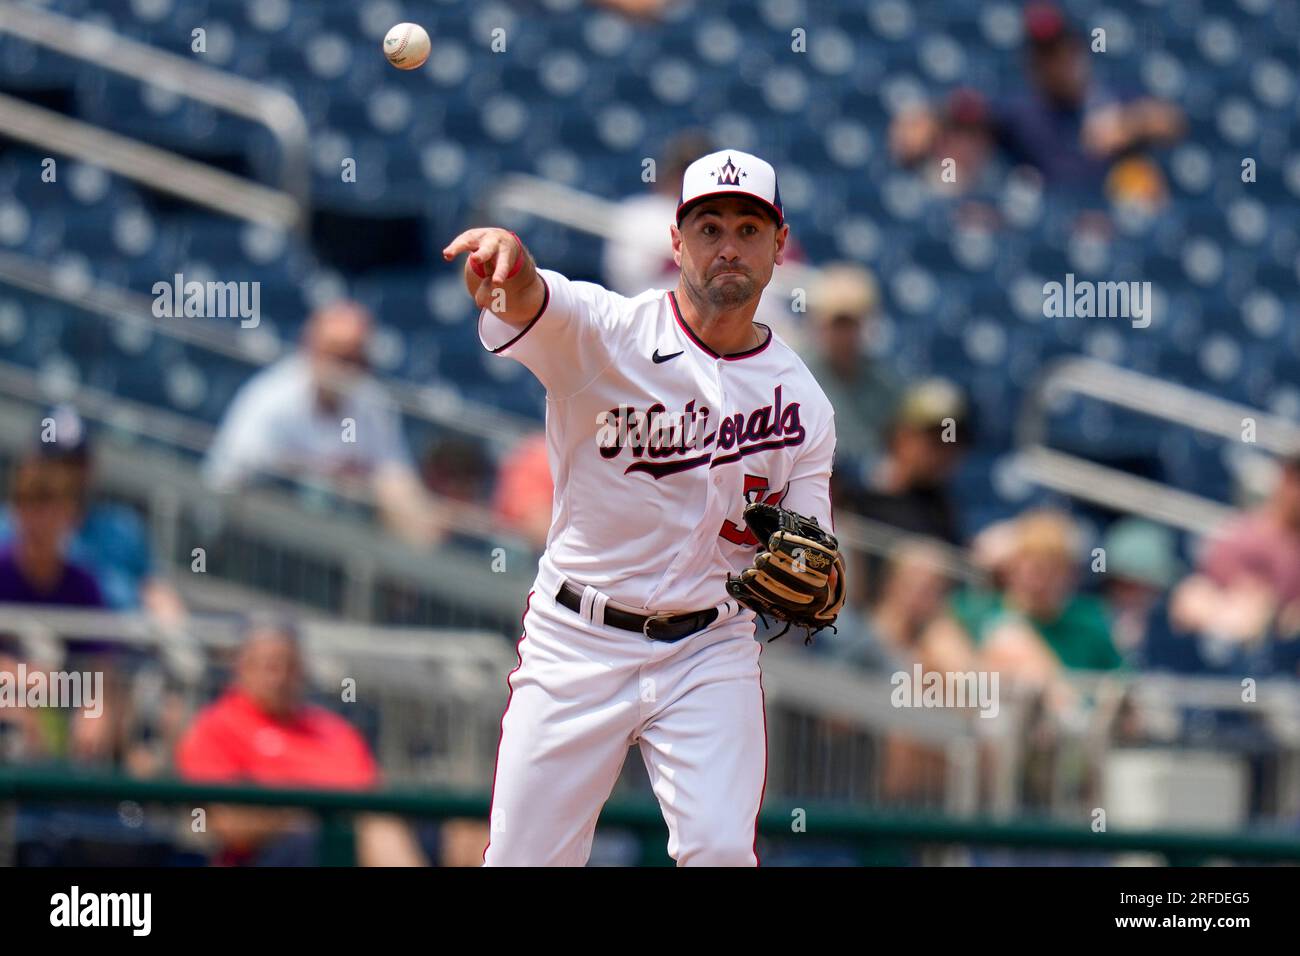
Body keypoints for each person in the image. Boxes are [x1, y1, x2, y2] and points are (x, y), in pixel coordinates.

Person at [442, 148, 840, 866]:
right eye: (709, 226)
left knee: (722, 853)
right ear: (676, 240)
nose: (728, 246)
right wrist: (509, 268)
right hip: (579, 637)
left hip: (708, 648)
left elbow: (814, 552)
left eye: (749, 229)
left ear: (780, 246)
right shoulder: (608, 332)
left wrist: (812, 576)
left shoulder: (802, 401)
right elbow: (530, 300)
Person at [175, 621, 427, 866]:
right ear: (244, 669)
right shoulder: (215, 727)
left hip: (348, 839)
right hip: (271, 853)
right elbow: (229, 826)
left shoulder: (335, 729)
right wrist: (308, 815)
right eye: (270, 666)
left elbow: (375, 796)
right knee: (374, 831)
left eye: (290, 667)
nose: (281, 678)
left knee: (461, 832)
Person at [203, 301, 443, 548]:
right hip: (257, 536)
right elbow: (231, 475)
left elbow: (394, 475)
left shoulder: (371, 402)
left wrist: (424, 521)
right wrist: (322, 475)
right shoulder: (273, 397)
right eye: (336, 354)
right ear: (311, 347)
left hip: (334, 547)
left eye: (354, 358)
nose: (344, 369)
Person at [891, 2, 1184, 196]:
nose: (1053, 63)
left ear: (1076, 50)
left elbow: (1173, 122)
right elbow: (964, 112)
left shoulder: (1112, 96)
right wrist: (927, 118)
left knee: (1142, 180)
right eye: (1042, 55)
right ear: (1031, 64)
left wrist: (1130, 124)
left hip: (1109, 210)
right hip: (1052, 223)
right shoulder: (1022, 110)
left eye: (1058, 51)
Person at [0, 405, 185, 626]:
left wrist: (173, 631)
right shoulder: (10, 528)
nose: (65, 476)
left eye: (73, 465)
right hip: (34, 649)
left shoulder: (121, 529)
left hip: (125, 649)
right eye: (54, 464)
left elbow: (158, 594)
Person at [800, 263, 900, 500]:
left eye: (852, 324)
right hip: (815, 490)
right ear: (819, 325)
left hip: (870, 499)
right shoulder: (797, 375)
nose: (845, 335)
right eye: (838, 324)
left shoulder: (884, 384)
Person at [844, 379, 968, 546]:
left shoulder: (941, 502)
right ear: (902, 436)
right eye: (934, 440)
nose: (943, 453)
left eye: (951, 442)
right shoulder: (861, 489)